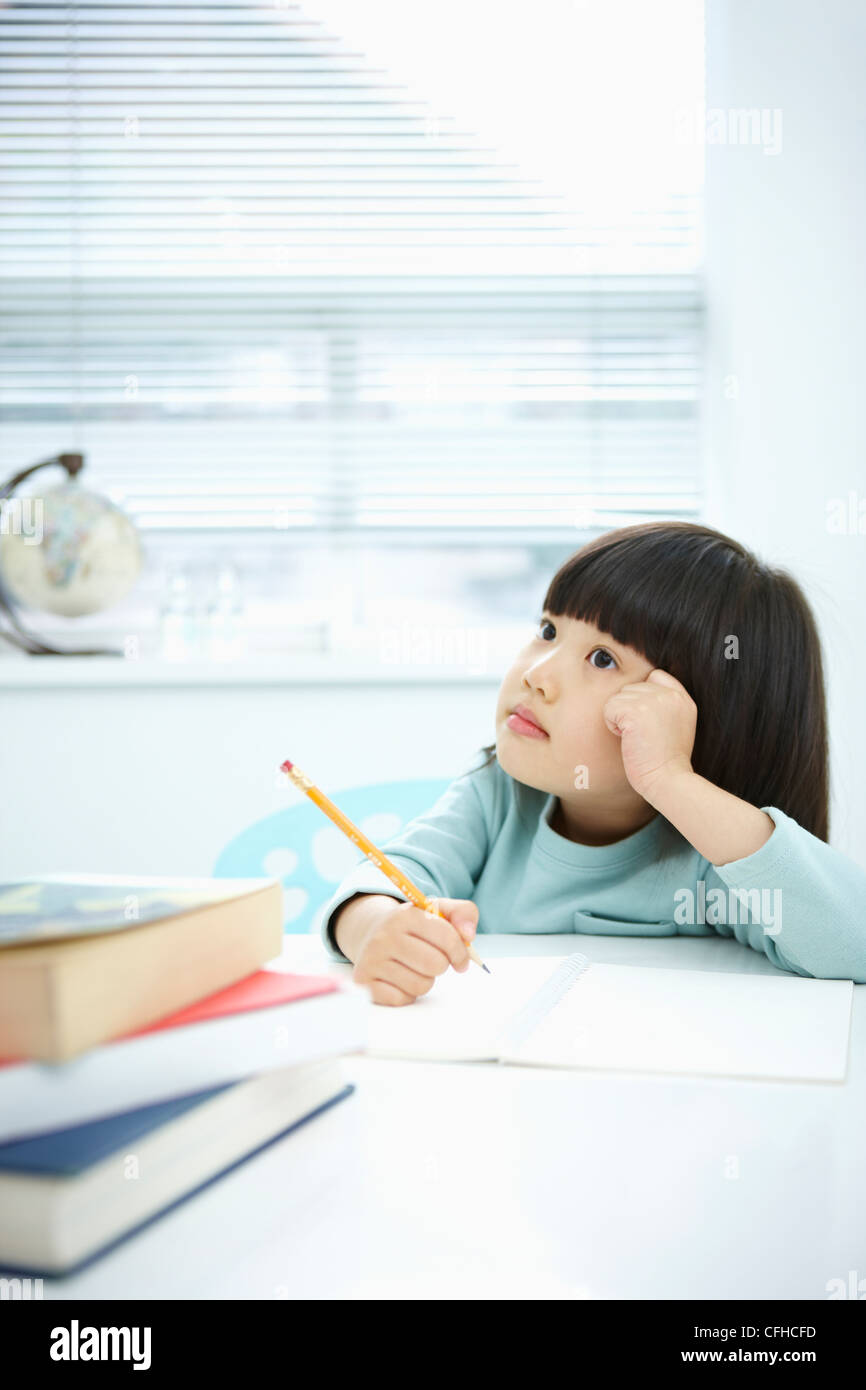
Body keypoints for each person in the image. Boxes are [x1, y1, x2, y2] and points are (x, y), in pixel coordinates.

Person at [320, 521, 866, 1005]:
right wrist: (373, 926)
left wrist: (669, 779)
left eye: (603, 659)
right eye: (548, 630)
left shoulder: (713, 859)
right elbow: (387, 878)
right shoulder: (496, 797)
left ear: (696, 718)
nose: (537, 674)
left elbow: (854, 943)